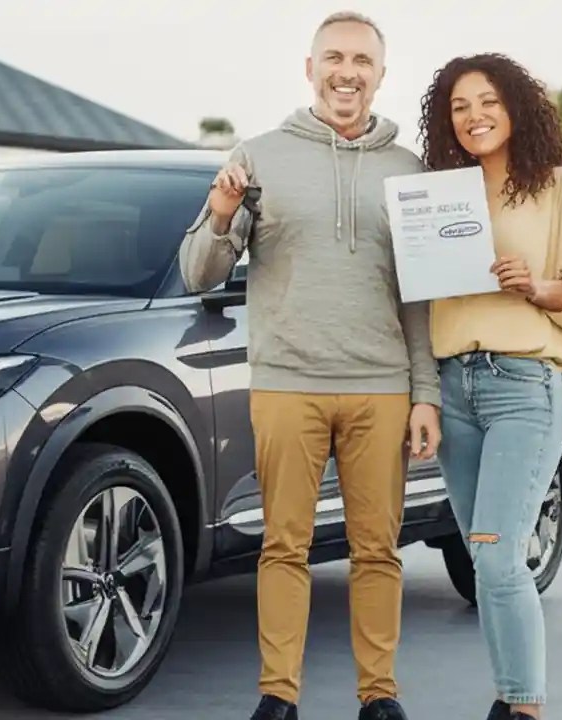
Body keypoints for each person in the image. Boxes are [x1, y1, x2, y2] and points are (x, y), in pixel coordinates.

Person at [179, 11, 441, 720]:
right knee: (284, 547)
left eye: (362, 60)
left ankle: (379, 696)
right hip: (286, 385)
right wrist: (221, 210)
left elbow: (418, 296)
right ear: (310, 67)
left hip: (381, 387)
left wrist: (426, 392)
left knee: (377, 550)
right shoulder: (258, 156)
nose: (347, 71)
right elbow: (199, 273)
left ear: (380, 74)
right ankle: (278, 696)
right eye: (334, 57)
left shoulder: (408, 169)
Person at [415, 53, 562, 720]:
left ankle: (525, 708)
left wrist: (537, 287)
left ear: (516, 107)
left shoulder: (560, 188)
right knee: (484, 562)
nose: (474, 116)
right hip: (454, 388)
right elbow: (416, 301)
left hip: (524, 385)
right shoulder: (441, 192)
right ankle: (509, 700)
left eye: (487, 101)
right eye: (460, 107)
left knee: (501, 560)